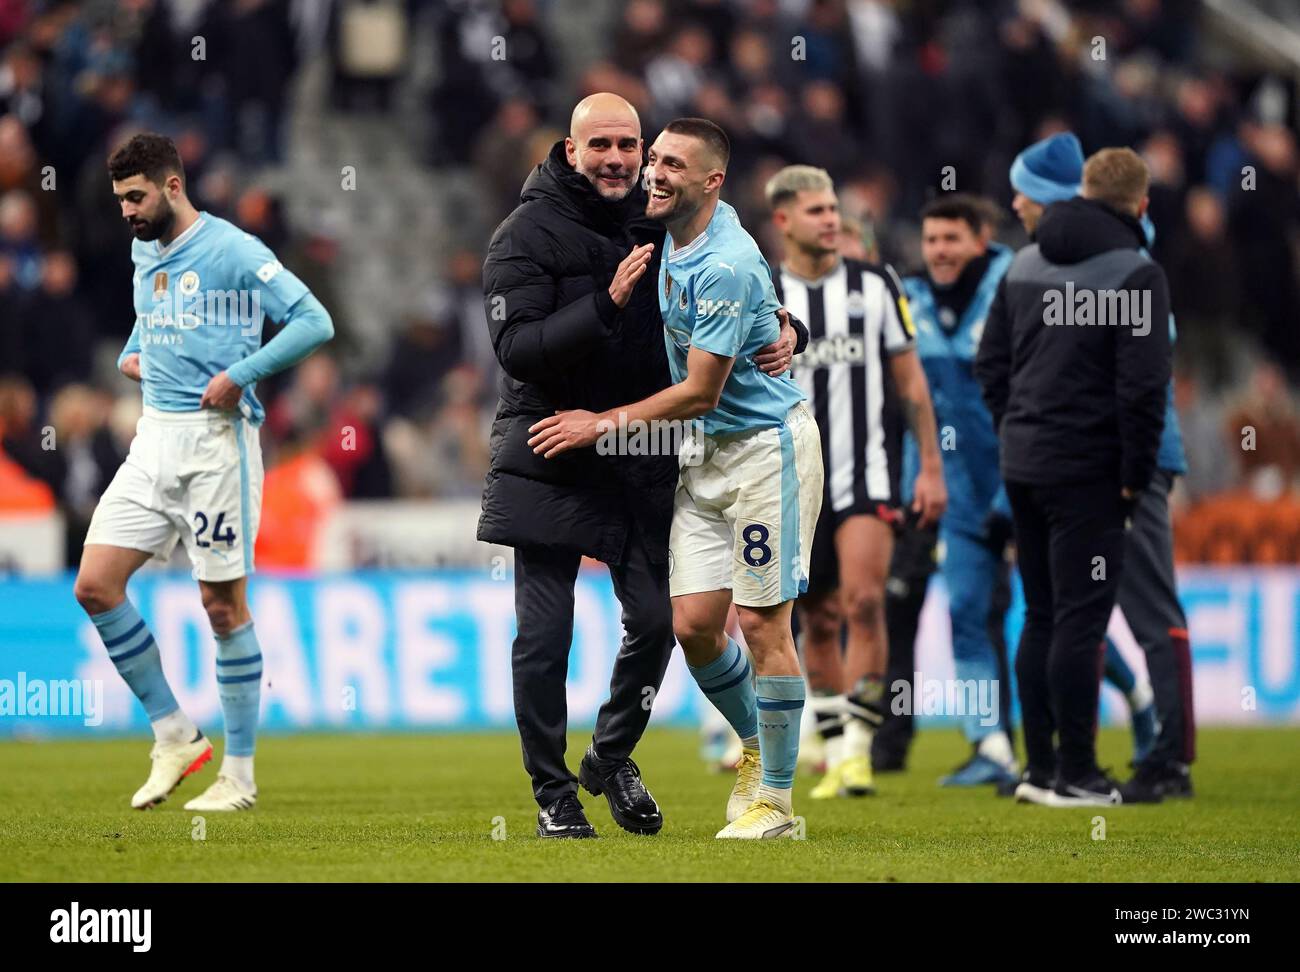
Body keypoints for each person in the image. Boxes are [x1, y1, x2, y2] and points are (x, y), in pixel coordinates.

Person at [480, 95, 803, 839]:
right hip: (553, 444)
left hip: (641, 446)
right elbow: (516, 350)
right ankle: (553, 794)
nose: (622, 160)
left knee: (661, 619)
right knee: (544, 634)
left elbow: (737, 284)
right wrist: (605, 302)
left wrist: (791, 326)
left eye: (632, 144)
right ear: (570, 150)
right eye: (603, 146)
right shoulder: (521, 236)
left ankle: (612, 754)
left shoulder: (657, 211)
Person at [72, 133, 334, 811]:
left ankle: (239, 777)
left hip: (217, 446)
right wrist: (136, 353)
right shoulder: (142, 247)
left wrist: (240, 374)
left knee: (221, 607)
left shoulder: (233, 250)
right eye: (120, 200)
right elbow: (146, 321)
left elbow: (314, 321)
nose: (127, 211)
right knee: (96, 585)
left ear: (172, 187)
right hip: (152, 437)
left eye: (136, 197)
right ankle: (175, 736)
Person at [976, 147, 1172, 807]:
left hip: (1025, 464)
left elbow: (990, 366)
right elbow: (1143, 391)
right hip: (1090, 473)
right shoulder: (1136, 274)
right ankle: (1079, 774)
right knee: (1081, 621)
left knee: (1039, 615)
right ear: (1141, 207)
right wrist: (1134, 476)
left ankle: (1039, 769)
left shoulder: (1023, 262)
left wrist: (1018, 430)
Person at [764, 164, 947, 800]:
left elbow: (911, 383)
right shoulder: (764, 290)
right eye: (817, 211)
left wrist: (929, 466)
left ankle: (862, 750)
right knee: (819, 619)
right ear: (784, 220)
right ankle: (838, 746)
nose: (832, 219)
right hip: (794, 478)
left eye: (834, 208)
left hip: (867, 474)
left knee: (867, 602)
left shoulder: (876, 284)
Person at [901, 193, 1018, 787]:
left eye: (951, 239)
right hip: (959, 492)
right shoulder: (912, 299)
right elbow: (916, 402)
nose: (939, 251)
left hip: (1029, 479)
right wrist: (916, 478)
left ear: (981, 239)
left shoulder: (1019, 288)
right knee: (966, 611)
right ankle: (991, 746)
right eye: (931, 240)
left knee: (1064, 613)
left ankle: (1142, 701)